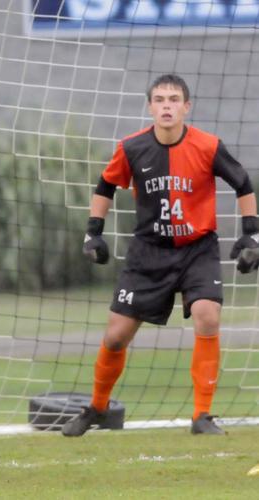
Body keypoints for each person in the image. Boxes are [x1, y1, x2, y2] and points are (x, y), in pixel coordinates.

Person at [63, 73, 259, 437]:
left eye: (173, 99)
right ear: (150, 106)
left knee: (207, 315)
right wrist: (93, 233)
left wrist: (251, 235)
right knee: (116, 336)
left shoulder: (208, 146)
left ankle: (202, 416)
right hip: (148, 252)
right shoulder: (132, 147)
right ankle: (98, 408)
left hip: (197, 249)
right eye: (159, 99)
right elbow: (106, 185)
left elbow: (243, 183)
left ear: (186, 107)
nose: (166, 105)